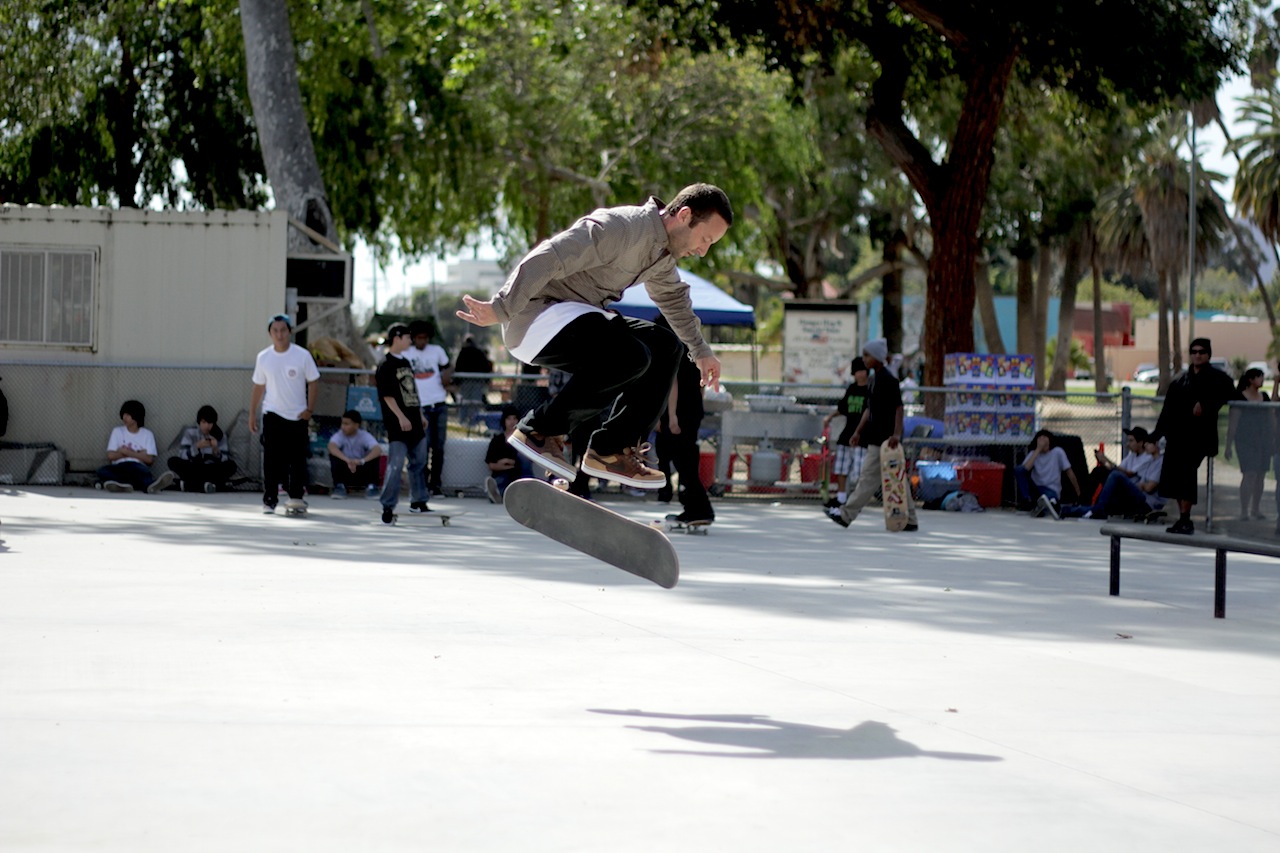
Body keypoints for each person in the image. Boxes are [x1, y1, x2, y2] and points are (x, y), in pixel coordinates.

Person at [456, 183, 732, 490]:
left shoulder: (660, 255)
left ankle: (612, 449)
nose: (703, 251)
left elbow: (674, 301)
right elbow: (551, 254)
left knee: (666, 347)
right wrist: (502, 308)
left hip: (575, 319)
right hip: (536, 316)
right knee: (632, 355)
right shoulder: (623, 227)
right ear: (684, 215)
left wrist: (701, 350)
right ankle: (539, 430)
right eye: (705, 239)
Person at [1151, 338, 1242, 534]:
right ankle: (1183, 518)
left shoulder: (1218, 378)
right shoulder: (1181, 380)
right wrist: (1156, 436)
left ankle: (1186, 519)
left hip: (1199, 438)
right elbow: (1167, 411)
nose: (1197, 355)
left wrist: (1207, 405)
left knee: (1187, 473)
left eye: (1201, 351)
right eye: (1194, 351)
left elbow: (1232, 396)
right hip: (1177, 437)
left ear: (1208, 354)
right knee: (1173, 476)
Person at [826, 339, 919, 531]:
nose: (864, 359)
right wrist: (858, 432)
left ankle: (846, 515)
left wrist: (896, 434)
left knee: (868, 479)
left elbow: (898, 408)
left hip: (885, 440)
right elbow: (869, 410)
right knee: (897, 478)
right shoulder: (873, 380)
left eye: (867, 355)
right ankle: (910, 520)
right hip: (875, 437)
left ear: (877, 357)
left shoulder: (888, 379)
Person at [249, 314, 319, 514]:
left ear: (289, 332)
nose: (279, 335)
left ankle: (296, 497)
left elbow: (313, 382)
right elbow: (258, 386)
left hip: (297, 416)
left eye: (283, 330)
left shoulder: (302, 355)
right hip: (272, 414)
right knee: (271, 460)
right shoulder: (264, 357)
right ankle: (270, 499)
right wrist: (253, 413)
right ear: (270, 333)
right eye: (275, 331)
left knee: (297, 459)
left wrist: (309, 410)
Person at [654, 316, 715, 525]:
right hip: (694, 409)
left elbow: (673, 384)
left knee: (682, 460)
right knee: (687, 459)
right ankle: (695, 507)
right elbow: (702, 382)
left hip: (679, 411)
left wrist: (671, 417)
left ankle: (699, 508)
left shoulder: (673, 348)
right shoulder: (696, 349)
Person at [376, 323, 430, 524]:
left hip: (415, 420)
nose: (410, 341)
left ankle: (418, 501)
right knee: (396, 465)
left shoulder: (406, 362)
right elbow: (387, 397)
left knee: (419, 462)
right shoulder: (385, 364)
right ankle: (388, 505)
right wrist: (401, 417)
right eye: (407, 337)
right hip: (398, 424)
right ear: (397, 338)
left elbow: (412, 392)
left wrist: (420, 414)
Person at [1060, 431, 1165, 520]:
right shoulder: (1150, 460)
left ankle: (1096, 509)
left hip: (1148, 502)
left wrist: (1140, 485)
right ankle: (1069, 510)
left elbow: (1149, 487)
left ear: (1157, 445)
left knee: (1115, 475)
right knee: (1102, 475)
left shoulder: (1160, 462)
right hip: (1137, 492)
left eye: (1149, 443)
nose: (1146, 445)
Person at [406, 320, 452, 496]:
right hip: (420, 406)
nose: (422, 342)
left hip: (439, 402)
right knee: (423, 447)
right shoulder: (407, 353)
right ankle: (423, 484)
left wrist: (447, 376)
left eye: (425, 338)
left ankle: (436, 484)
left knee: (439, 447)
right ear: (413, 338)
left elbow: (448, 366)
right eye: (419, 338)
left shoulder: (437, 351)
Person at [821, 357, 871, 509]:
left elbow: (870, 411)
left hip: (862, 437)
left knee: (859, 472)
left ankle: (857, 500)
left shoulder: (871, 389)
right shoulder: (851, 389)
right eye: (857, 371)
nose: (861, 374)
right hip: (847, 434)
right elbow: (842, 408)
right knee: (842, 468)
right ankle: (841, 498)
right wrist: (829, 417)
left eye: (863, 371)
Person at [96, 399, 175, 494]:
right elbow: (111, 456)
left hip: (137, 466)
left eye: (128, 415)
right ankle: (127, 485)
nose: (124, 417)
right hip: (120, 466)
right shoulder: (117, 431)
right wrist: (138, 454)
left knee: (142, 472)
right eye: (124, 414)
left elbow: (149, 460)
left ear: (136, 416)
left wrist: (125, 452)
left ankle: (148, 486)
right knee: (102, 471)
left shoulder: (147, 434)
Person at [1224, 366, 1272, 521]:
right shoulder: (1241, 397)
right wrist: (1228, 445)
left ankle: (1255, 509)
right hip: (1246, 441)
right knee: (1249, 473)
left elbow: (1271, 417)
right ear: (1251, 379)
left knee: (1260, 475)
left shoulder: (1264, 396)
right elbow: (1233, 422)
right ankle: (1244, 509)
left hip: (1263, 440)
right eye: (1259, 377)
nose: (1262, 380)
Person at [167, 404, 236, 493]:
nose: (206, 426)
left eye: (209, 423)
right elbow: (182, 455)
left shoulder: (220, 435)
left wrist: (215, 449)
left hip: (211, 469)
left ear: (214, 423)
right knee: (173, 461)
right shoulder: (190, 432)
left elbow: (225, 459)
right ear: (199, 422)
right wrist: (196, 447)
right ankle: (213, 485)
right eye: (203, 422)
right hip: (194, 467)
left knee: (231, 465)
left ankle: (189, 485)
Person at [1014, 429, 1081, 519]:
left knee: (1050, 501)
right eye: (1040, 438)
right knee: (1018, 470)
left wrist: (1078, 493)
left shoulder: (1057, 452)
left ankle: (1048, 506)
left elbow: (1069, 472)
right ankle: (1028, 501)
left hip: (1050, 489)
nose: (1042, 440)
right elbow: (1024, 469)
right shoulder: (1033, 453)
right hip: (1036, 487)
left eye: (1045, 437)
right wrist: (1038, 449)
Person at [327, 409, 383, 499]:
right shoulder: (339, 435)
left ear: (356, 425)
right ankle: (339, 486)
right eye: (342, 423)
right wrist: (347, 460)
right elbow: (331, 446)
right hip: (346, 468)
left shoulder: (364, 435)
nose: (343, 427)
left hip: (361, 469)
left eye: (346, 424)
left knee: (374, 457)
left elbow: (377, 449)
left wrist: (361, 461)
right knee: (334, 455)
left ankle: (372, 487)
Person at [484, 405, 533, 503]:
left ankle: (512, 494)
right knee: (501, 481)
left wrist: (511, 463)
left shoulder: (525, 440)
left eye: (515, 418)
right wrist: (506, 464)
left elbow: (528, 462)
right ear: (504, 421)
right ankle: (498, 493)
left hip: (519, 476)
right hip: (502, 475)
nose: (512, 422)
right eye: (509, 419)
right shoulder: (497, 441)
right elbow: (491, 465)